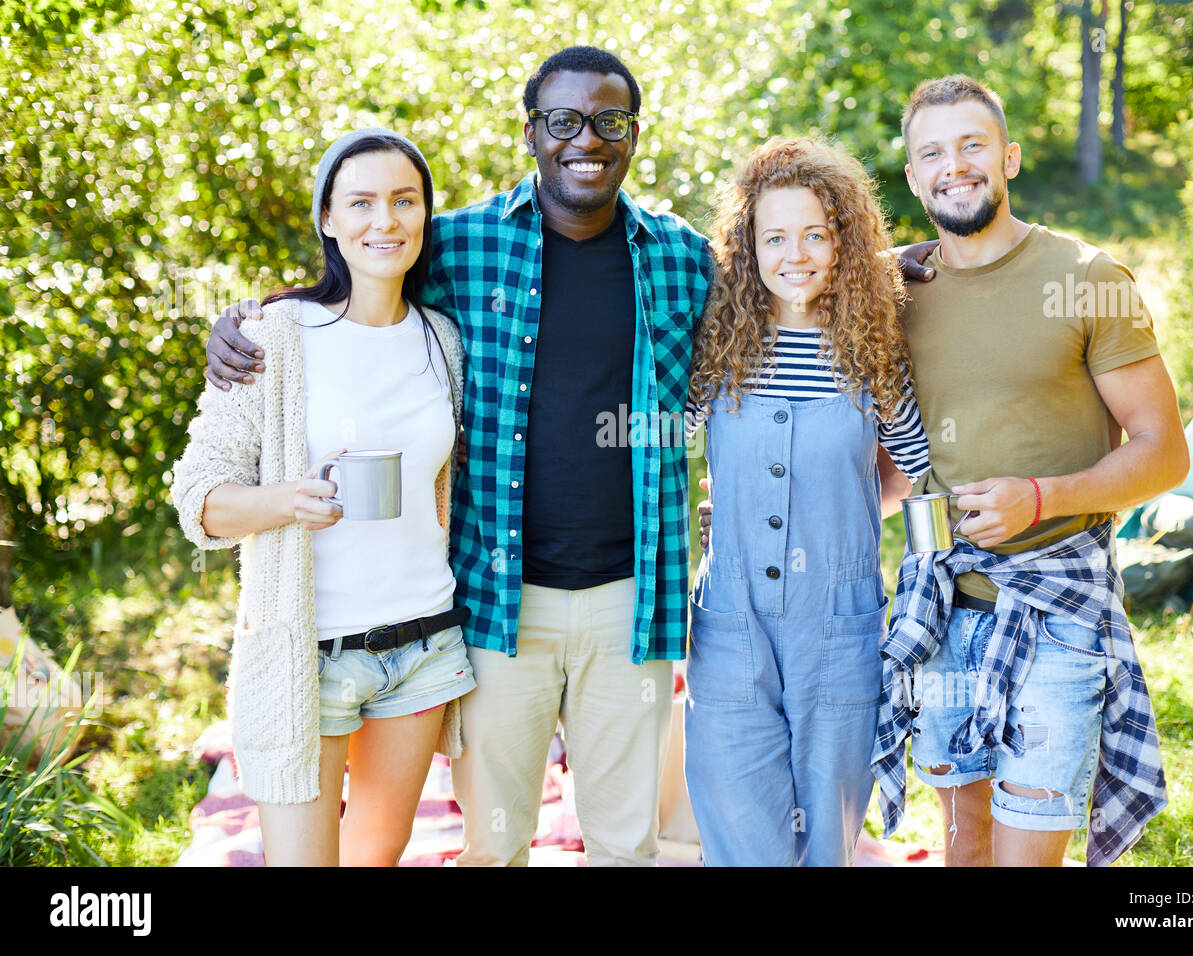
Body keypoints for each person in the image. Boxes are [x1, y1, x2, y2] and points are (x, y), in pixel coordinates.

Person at [202, 47, 939, 867]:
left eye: (609, 121)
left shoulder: (679, 257)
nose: (585, 138)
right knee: (493, 845)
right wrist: (251, 317)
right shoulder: (459, 244)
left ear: (632, 134)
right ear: (532, 133)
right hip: (495, 602)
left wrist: (881, 263)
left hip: (633, 600)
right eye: (564, 121)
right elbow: (362, 274)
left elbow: (781, 269)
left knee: (626, 846)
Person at [872, 75, 1189, 866]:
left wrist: (1043, 497)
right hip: (943, 609)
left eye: (973, 145)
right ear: (912, 177)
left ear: (1008, 157)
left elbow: (1164, 450)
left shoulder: (1088, 279)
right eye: (932, 153)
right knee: (963, 845)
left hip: (1060, 615)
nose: (955, 166)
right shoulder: (894, 292)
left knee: (1025, 858)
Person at [171, 129, 476, 866]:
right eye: (362, 202)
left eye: (405, 202)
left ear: (425, 218)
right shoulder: (271, 336)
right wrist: (286, 502)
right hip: (308, 653)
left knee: (377, 852)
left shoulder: (443, 340)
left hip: (424, 644)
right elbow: (197, 499)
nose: (386, 221)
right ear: (328, 220)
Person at [683, 137, 929, 866]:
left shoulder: (873, 354)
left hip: (840, 625)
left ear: (843, 243)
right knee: (740, 831)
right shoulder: (720, 350)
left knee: (826, 836)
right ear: (747, 247)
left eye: (816, 234)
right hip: (730, 621)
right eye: (775, 236)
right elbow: (665, 451)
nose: (796, 254)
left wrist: (848, 517)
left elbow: (920, 465)